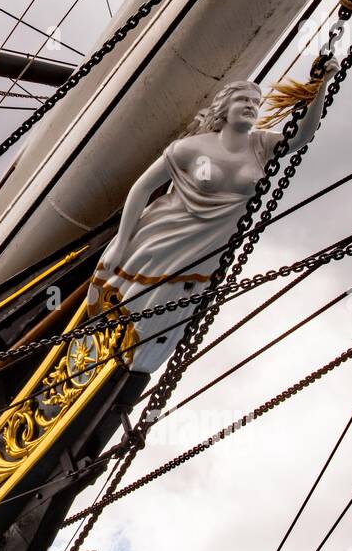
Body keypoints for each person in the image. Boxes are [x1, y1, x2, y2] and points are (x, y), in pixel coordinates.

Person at [86, 61, 338, 373]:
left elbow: (301, 136)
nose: (250, 107)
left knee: (165, 315)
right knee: (133, 305)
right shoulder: (189, 148)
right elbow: (143, 188)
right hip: (162, 240)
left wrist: (321, 87)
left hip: (206, 255)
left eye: (255, 104)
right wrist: (121, 243)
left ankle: (128, 365)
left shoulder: (261, 145)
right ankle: (106, 358)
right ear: (225, 106)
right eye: (243, 101)